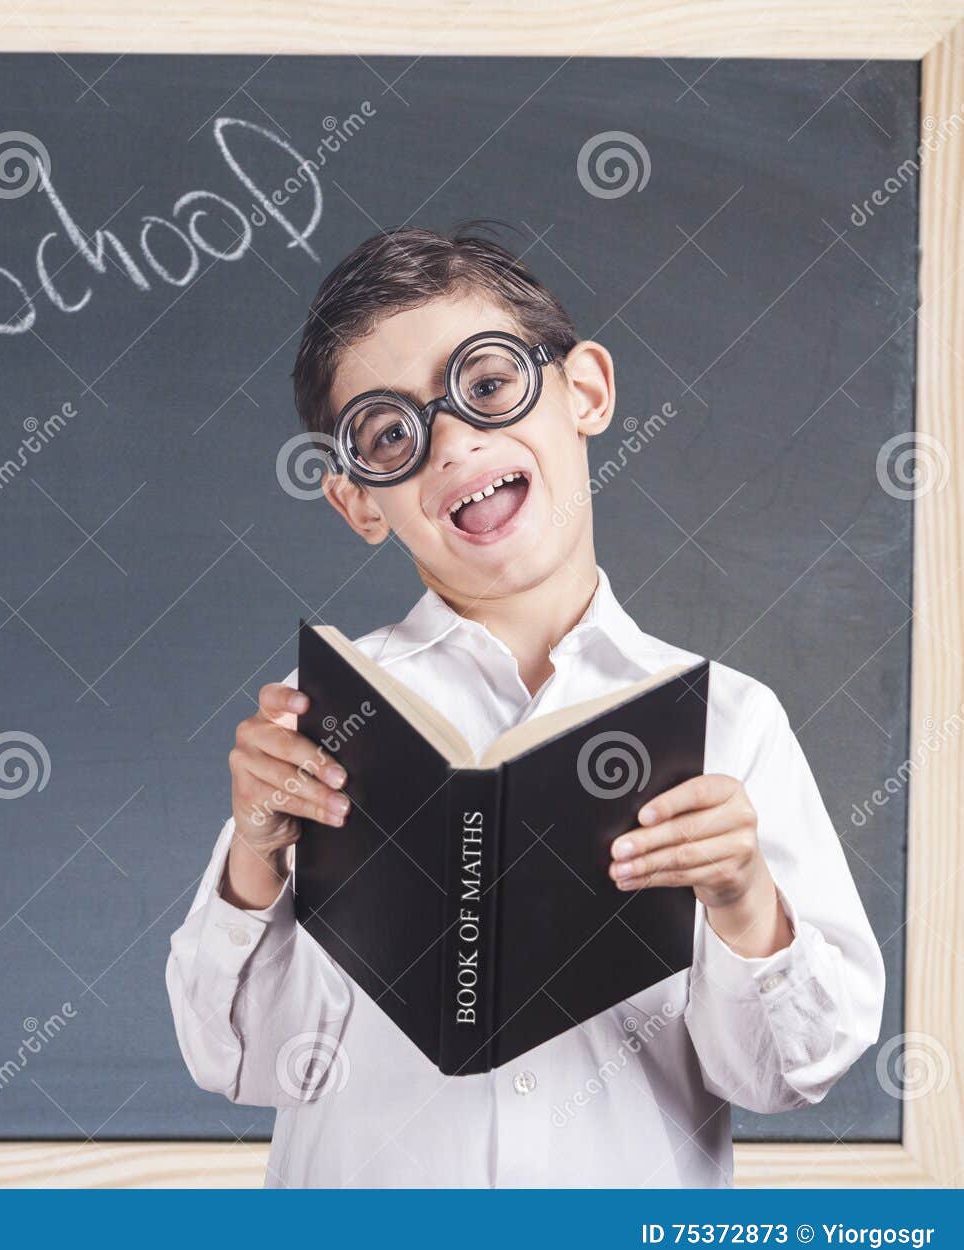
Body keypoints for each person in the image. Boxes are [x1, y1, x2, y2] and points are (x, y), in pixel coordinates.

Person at [165, 227, 884, 1188]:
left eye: (488, 385)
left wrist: (746, 899)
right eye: (390, 434)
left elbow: (790, 1071)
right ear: (360, 503)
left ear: (584, 391)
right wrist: (256, 858)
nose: (455, 441)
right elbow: (238, 1058)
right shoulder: (330, 724)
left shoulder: (730, 722)